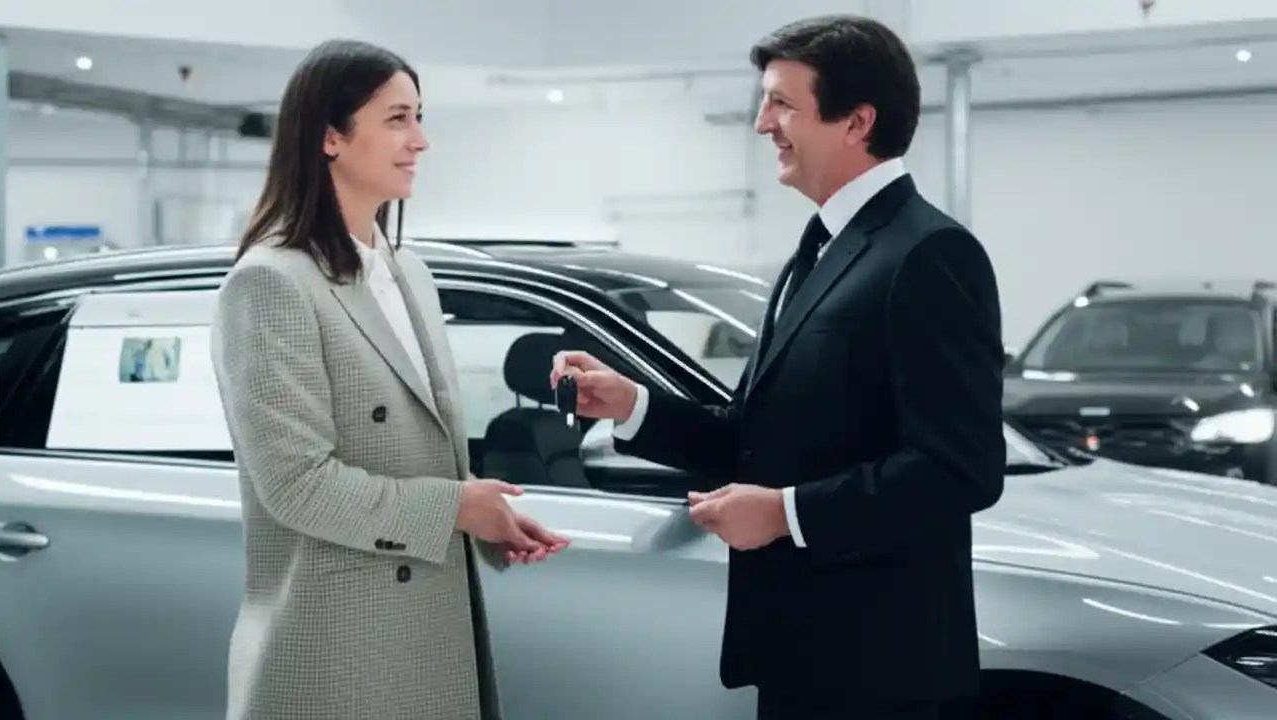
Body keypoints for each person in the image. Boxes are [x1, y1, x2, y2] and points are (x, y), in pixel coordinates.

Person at [551, 15, 1003, 720]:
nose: (763, 124)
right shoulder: (819, 249)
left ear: (856, 122)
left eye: (783, 104)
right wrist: (632, 404)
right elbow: (755, 436)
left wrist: (788, 514)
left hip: (880, 668)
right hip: (803, 653)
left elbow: (960, 468)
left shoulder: (928, 253)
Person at [210, 39, 568, 720]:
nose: (420, 140)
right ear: (330, 137)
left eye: (419, 117)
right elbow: (296, 484)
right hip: (339, 648)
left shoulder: (410, 273)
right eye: (398, 119)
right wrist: (455, 507)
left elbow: (416, 452)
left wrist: (484, 518)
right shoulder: (271, 283)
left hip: (425, 636)